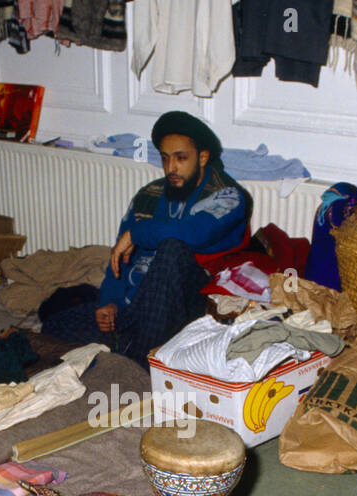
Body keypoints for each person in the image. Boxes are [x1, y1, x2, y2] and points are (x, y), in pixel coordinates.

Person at [42, 111, 251, 364]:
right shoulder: (148, 195)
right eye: (165, 158)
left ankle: (139, 360)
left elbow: (192, 234)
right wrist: (110, 303)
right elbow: (119, 258)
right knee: (54, 323)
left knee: (173, 249)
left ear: (203, 157)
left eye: (181, 158)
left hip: (186, 311)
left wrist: (137, 233)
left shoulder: (228, 196)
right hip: (137, 310)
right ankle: (133, 349)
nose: (171, 168)